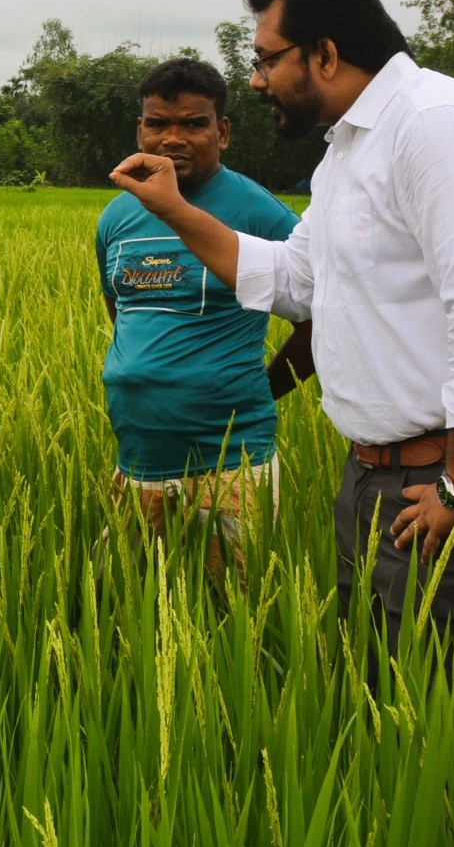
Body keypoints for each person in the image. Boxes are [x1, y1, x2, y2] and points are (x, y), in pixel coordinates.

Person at [109, 0, 454, 686]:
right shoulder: (348, 155)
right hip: (379, 476)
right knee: (384, 704)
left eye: (266, 59)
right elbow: (295, 280)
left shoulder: (435, 125)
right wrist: (174, 211)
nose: (256, 79)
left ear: (324, 52)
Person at [98, 58, 313, 584]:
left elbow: (324, 317)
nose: (173, 139)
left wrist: (258, 391)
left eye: (193, 124)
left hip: (231, 463)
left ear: (222, 132)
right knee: (121, 609)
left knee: (231, 620)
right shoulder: (116, 217)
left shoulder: (260, 214)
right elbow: (122, 313)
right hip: (138, 459)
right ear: (139, 131)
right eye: (157, 123)